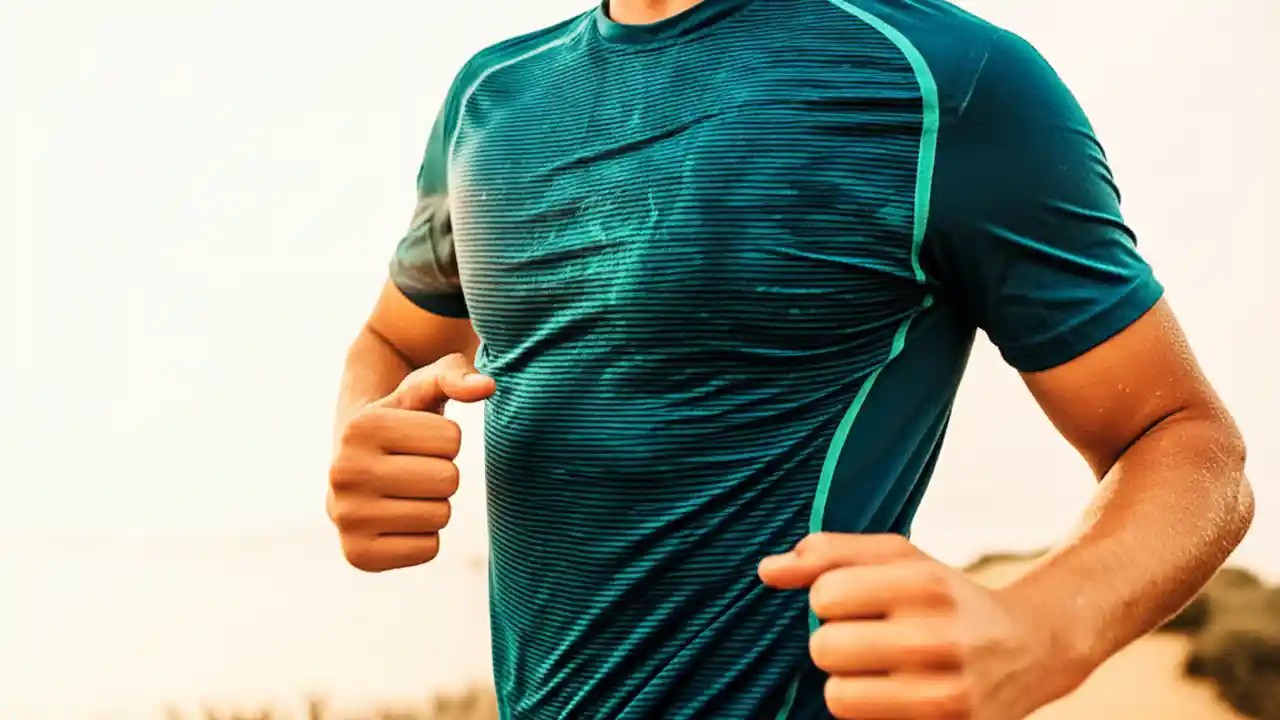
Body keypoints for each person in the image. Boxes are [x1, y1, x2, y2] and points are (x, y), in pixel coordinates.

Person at [325, 0, 1254, 718]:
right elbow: (398, 338)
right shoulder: (491, 97)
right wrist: (366, 437)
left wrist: (1040, 628)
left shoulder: (951, 81)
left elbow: (1185, 438)